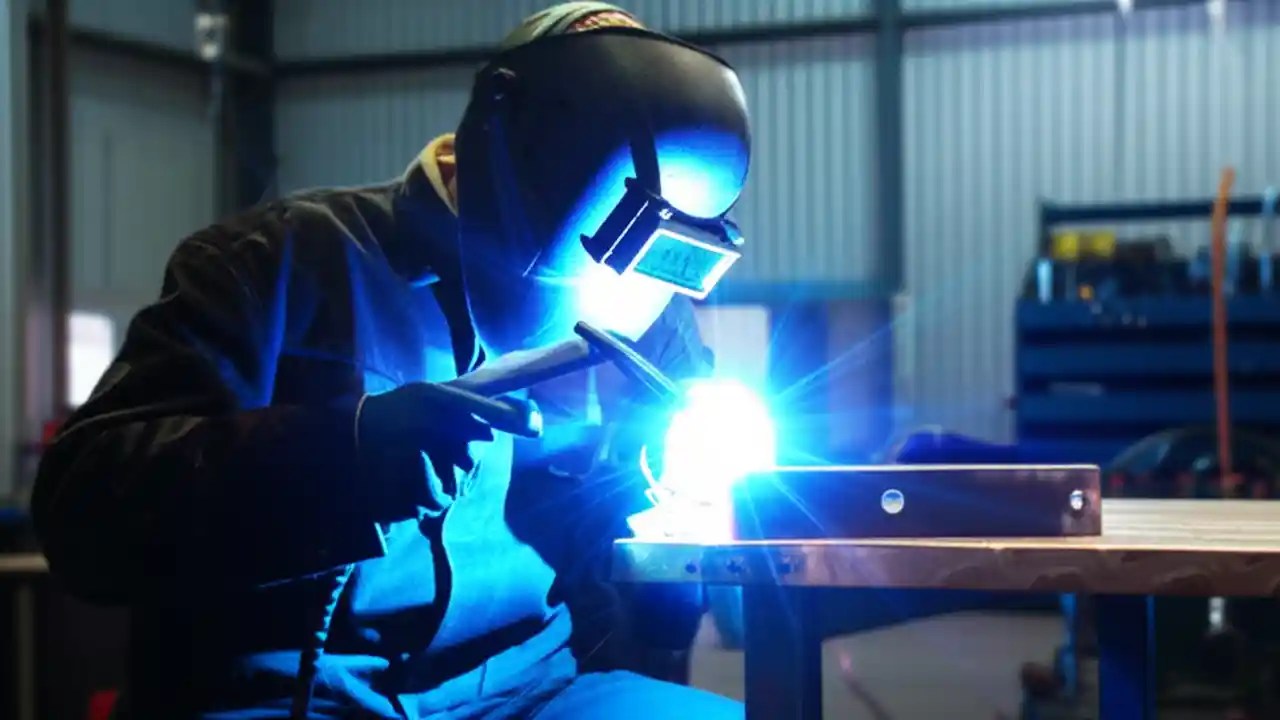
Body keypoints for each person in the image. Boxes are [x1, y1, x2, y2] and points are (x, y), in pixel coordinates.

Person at [31, 3, 751, 719]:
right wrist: (343, 452)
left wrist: (679, 524)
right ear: (506, 147)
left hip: (528, 694)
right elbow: (82, 517)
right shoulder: (278, 262)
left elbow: (657, 536)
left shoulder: (646, 309)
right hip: (287, 701)